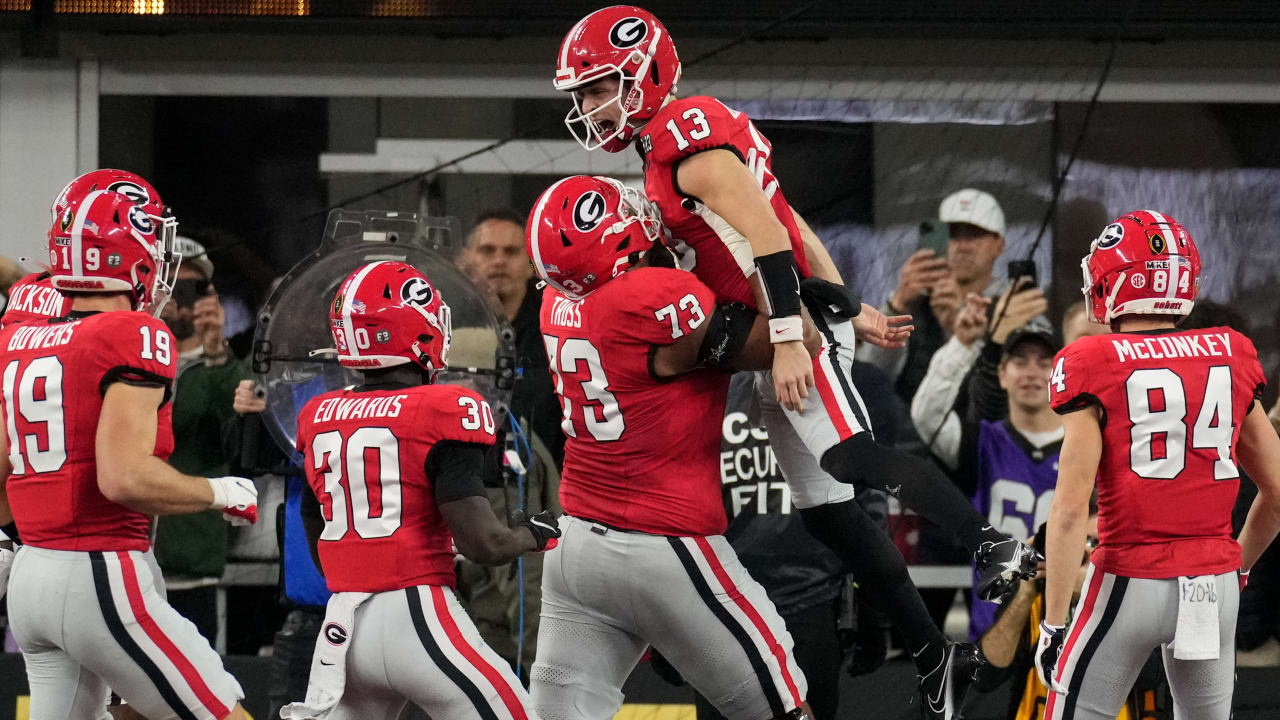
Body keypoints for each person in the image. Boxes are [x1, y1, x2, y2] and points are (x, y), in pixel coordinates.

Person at [553, 9, 1038, 716]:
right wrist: (846, 299)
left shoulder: (683, 143)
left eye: (600, 89)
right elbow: (788, 219)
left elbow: (766, 237)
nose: (591, 108)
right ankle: (936, 658)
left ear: (646, 74)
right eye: (585, 95)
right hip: (770, 324)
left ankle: (993, 546)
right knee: (828, 513)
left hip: (777, 329)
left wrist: (789, 338)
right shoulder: (670, 145)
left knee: (851, 457)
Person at [527, 175, 813, 720]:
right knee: (783, 711)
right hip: (664, 544)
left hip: (577, 549)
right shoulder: (654, 298)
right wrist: (747, 235)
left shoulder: (556, 306)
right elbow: (791, 337)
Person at [0, 187, 257, 720]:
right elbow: (122, 479)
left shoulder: (23, 335)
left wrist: (12, 535)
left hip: (32, 580)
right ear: (129, 252)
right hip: (97, 569)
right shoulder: (135, 332)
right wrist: (217, 492)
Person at [282, 260, 559, 720]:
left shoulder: (317, 414)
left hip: (344, 624)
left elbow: (315, 519)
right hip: (417, 614)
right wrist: (537, 532)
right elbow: (485, 544)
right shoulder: (445, 406)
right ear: (419, 329)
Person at [1036, 210, 1280, 720]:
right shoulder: (1230, 352)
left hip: (1129, 577)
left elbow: (1067, 511)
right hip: (1212, 582)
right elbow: (1278, 493)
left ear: (1115, 281)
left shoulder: (1092, 360)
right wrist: (1237, 566)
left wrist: (1053, 622)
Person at [911, 308, 1061, 642]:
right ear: (1003, 373)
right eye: (1020, 361)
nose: (1031, 373)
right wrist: (962, 345)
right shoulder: (980, 442)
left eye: (1044, 362)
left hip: (1068, 628)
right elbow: (926, 416)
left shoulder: (1087, 447)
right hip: (993, 631)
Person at [456, 208, 563, 677]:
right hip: (470, 502)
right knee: (484, 637)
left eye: (510, 251)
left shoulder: (558, 325)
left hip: (551, 510)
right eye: (487, 250)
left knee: (541, 630)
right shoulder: (448, 331)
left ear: (531, 262)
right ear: (466, 259)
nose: (498, 261)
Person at [154, 235, 253, 645]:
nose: (184, 300)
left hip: (191, 560)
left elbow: (239, 432)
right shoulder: (131, 355)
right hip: (127, 558)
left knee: (195, 692)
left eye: (195, 288)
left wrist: (216, 353)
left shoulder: (229, 366)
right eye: (173, 286)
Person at [859, 188, 1014, 401]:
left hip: (984, 428)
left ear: (999, 244)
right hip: (909, 429)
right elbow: (868, 379)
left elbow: (1014, 389)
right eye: (952, 234)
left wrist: (957, 331)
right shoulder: (913, 303)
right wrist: (897, 305)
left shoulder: (1014, 306)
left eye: (974, 234)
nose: (962, 246)